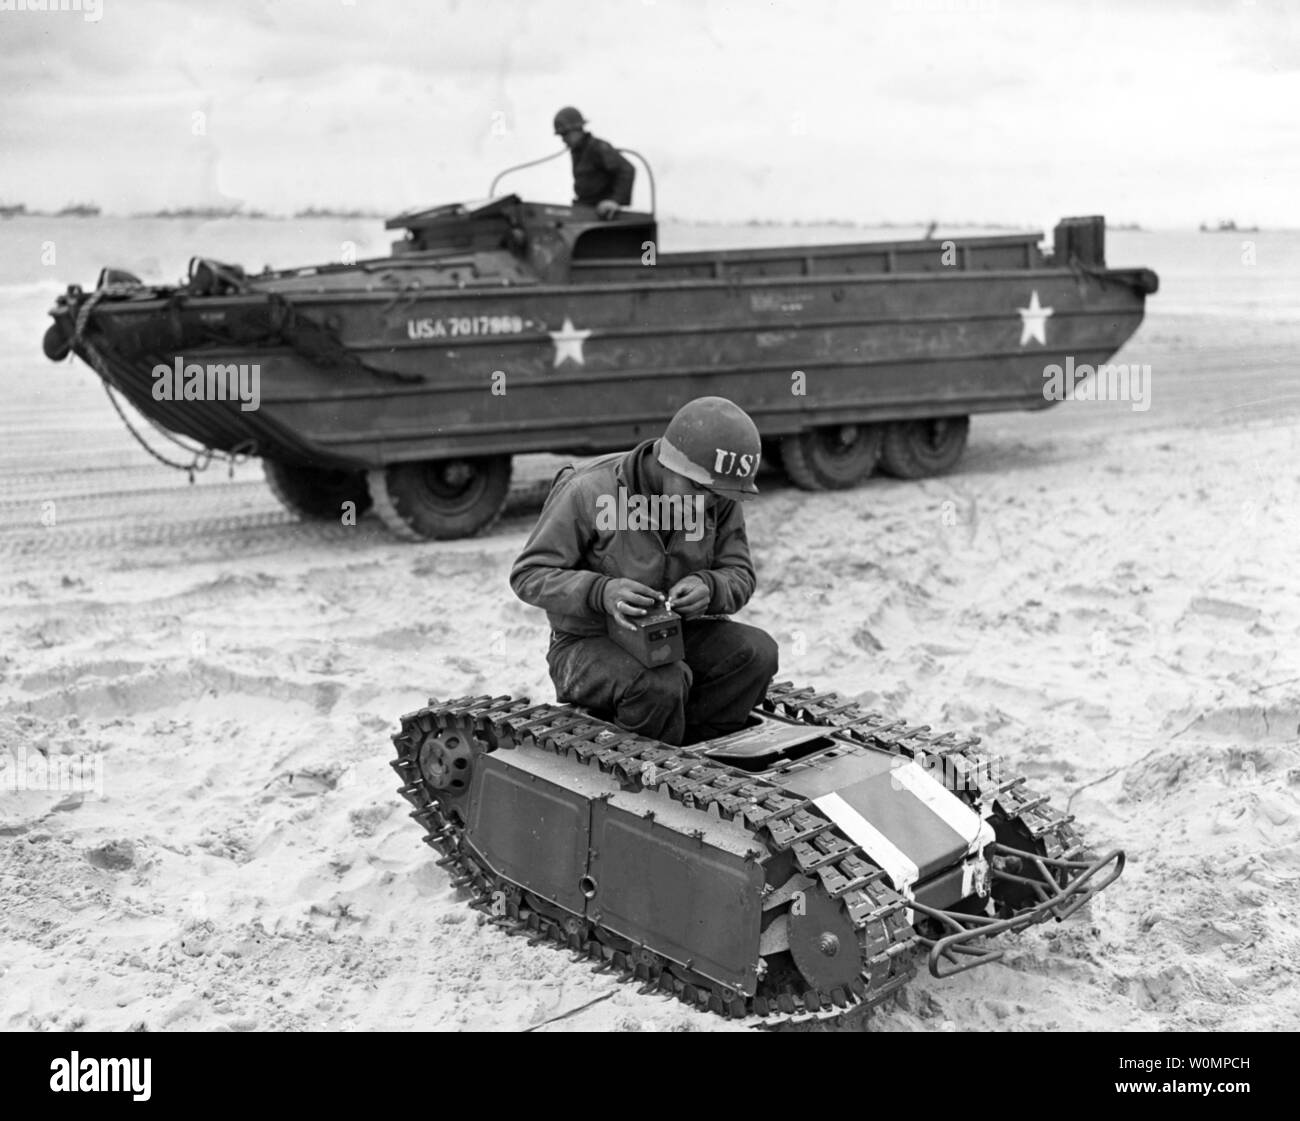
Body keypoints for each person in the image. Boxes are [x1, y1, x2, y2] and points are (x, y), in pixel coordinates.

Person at [510, 396, 779, 747]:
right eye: (697, 489)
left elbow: (740, 573)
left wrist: (710, 587)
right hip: (587, 644)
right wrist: (601, 593)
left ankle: (701, 753)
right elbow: (529, 575)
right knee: (661, 682)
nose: (705, 503)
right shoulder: (588, 489)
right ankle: (646, 774)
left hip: (675, 633)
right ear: (667, 463)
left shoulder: (716, 493)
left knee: (757, 654)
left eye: (715, 494)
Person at [552, 106, 635, 220]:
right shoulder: (578, 152)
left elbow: (626, 169)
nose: (563, 139)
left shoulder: (597, 147)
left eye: (565, 134)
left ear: (578, 129)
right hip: (585, 210)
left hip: (602, 215)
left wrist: (615, 201)